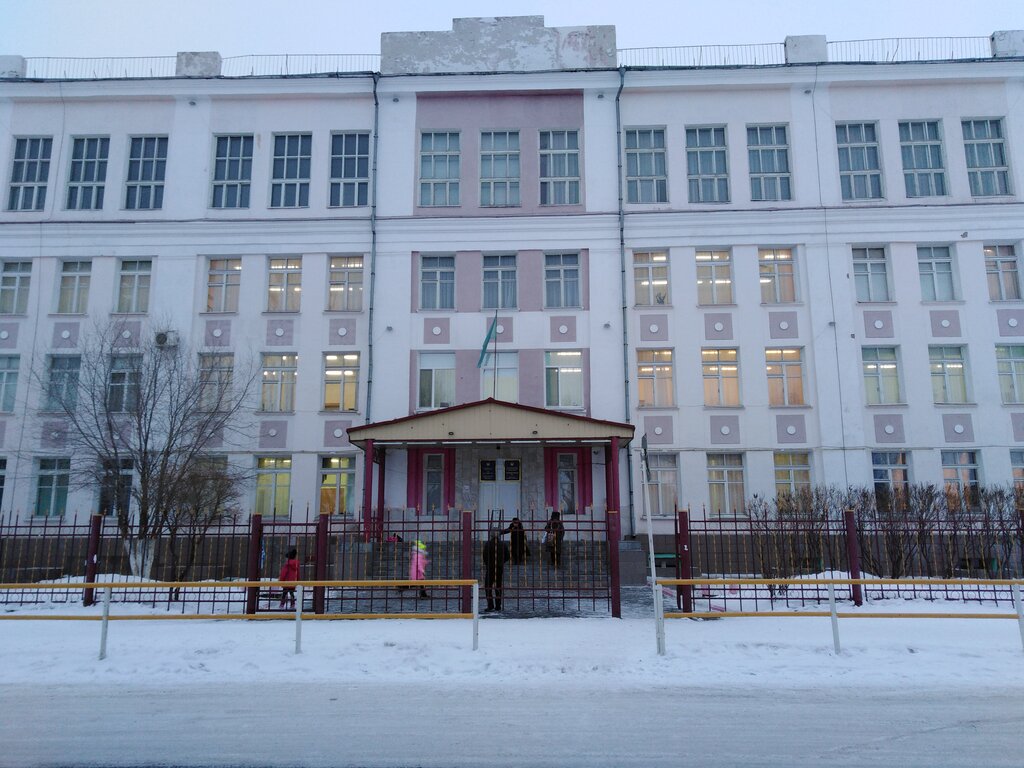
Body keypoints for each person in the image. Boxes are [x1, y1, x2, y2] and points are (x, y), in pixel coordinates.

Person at [482, 526, 510, 613]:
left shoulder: (488, 544)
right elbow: (507, 556)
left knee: (488, 587)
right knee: (498, 586)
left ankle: (490, 605)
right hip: (499, 567)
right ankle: (498, 606)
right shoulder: (503, 544)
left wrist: (488, 563)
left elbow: (485, 556)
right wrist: (501, 562)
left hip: (490, 567)